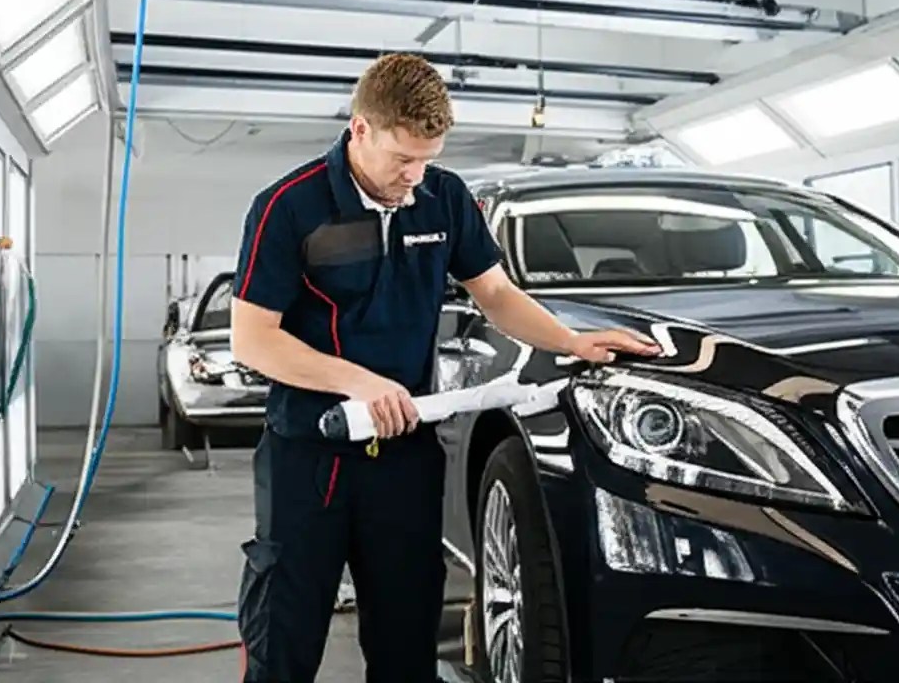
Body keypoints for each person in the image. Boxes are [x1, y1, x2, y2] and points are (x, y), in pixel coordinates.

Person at [229, 52, 659, 683]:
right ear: (360, 131)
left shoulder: (443, 199)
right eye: (403, 159)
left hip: (405, 457)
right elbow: (253, 340)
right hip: (309, 459)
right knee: (284, 645)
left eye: (427, 159)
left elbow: (496, 294)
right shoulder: (289, 207)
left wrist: (572, 341)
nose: (414, 176)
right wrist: (359, 381)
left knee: (406, 645)